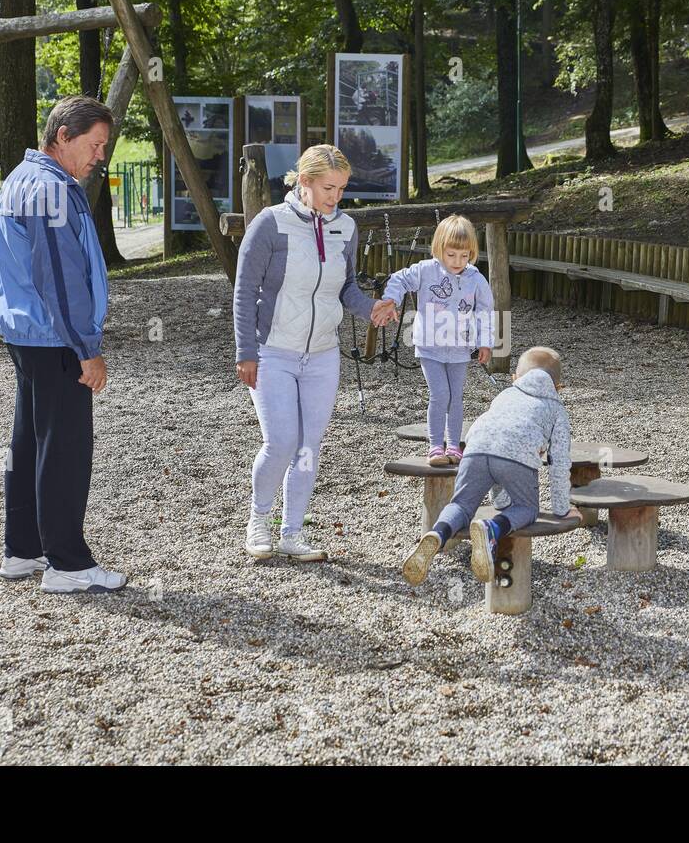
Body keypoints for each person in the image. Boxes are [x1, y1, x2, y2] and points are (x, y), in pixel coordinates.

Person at [0, 95, 126, 593]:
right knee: (65, 447)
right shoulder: (49, 188)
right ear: (63, 135)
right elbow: (60, 280)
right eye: (95, 144)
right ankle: (67, 563)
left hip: (25, 332)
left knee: (30, 442)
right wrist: (86, 347)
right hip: (53, 335)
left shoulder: (22, 179)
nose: (100, 157)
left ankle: (23, 550)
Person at [233, 144, 391, 561]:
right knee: (281, 441)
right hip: (272, 353)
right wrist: (245, 351)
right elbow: (245, 291)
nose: (335, 197)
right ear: (303, 182)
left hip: (323, 355)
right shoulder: (271, 224)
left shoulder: (347, 227)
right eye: (328, 188)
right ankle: (258, 520)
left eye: (340, 189)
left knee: (308, 446)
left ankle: (292, 533)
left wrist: (371, 309)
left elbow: (346, 288)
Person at [401, 347, 582, 586]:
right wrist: (561, 509)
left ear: (516, 378)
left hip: (475, 449)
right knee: (527, 509)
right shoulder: (557, 410)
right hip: (515, 458)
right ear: (558, 388)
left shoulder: (505, 395)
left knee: (461, 505)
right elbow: (558, 463)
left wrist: (500, 500)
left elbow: (495, 446)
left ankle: (438, 532)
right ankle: (490, 530)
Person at [373, 215, 494, 466]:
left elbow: (485, 311)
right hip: (430, 347)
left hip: (460, 348)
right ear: (439, 249)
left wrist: (485, 342)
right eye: (451, 255)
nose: (458, 262)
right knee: (440, 394)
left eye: (464, 256)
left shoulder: (475, 278)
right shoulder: (426, 270)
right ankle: (435, 446)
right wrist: (391, 299)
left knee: (456, 396)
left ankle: (454, 446)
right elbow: (400, 279)